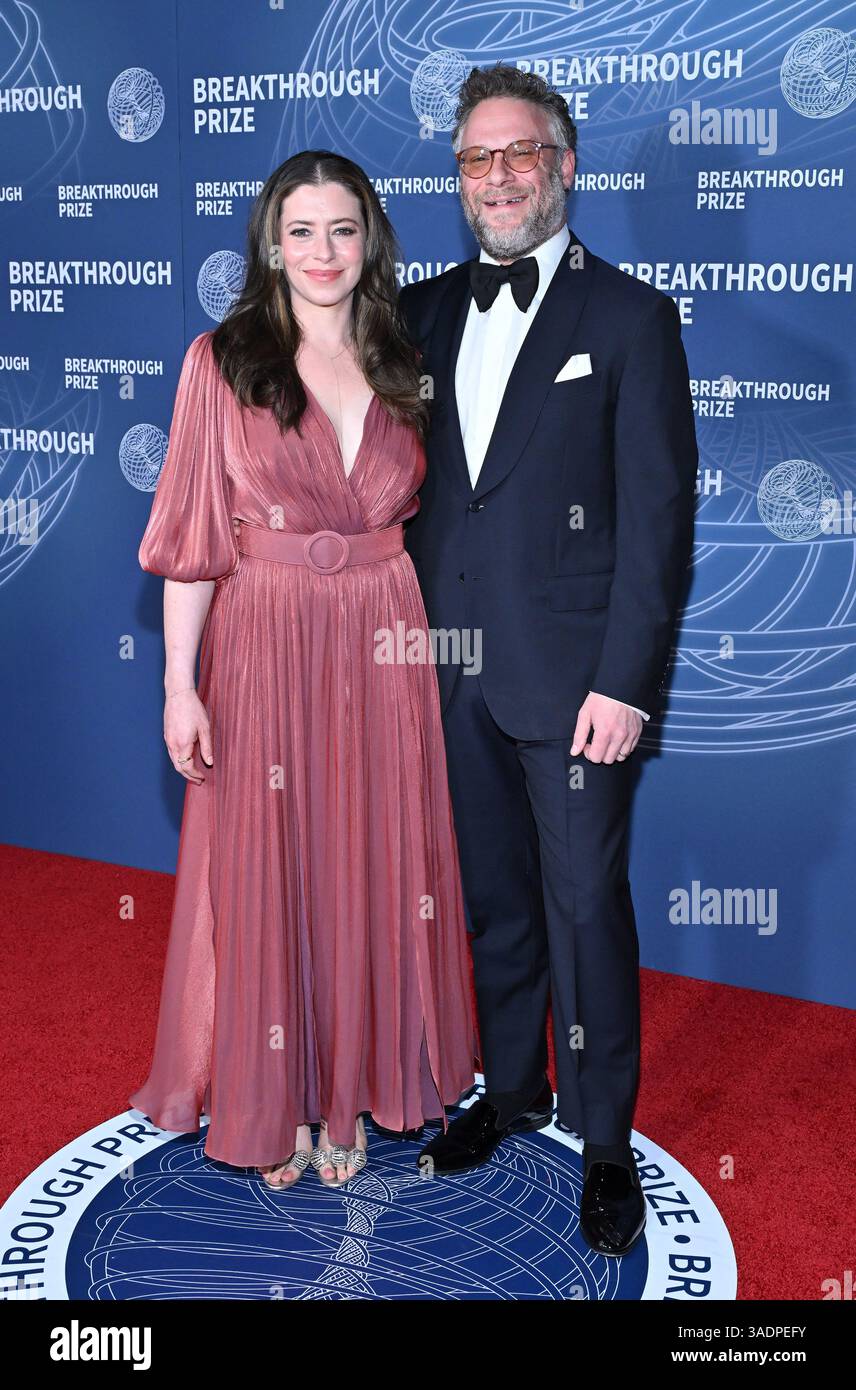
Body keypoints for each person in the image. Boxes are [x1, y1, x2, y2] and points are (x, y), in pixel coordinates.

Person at [131, 150, 476, 1191]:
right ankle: (271, 1097)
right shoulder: (221, 361)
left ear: (367, 238)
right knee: (271, 860)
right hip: (266, 637)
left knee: (374, 857)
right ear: (269, 244)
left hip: (383, 633)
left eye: (341, 229)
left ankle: (351, 1091)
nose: (322, 253)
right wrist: (178, 685)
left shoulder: (403, 355)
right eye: (300, 231)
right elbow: (194, 541)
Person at [399, 64, 698, 1255]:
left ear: (564, 165)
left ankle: (606, 1141)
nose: (499, 176)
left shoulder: (628, 317)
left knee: (583, 912)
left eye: (520, 153)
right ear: (459, 178)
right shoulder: (415, 312)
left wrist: (626, 683)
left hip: (578, 685)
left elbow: (658, 516)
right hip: (447, 673)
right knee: (497, 907)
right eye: (478, 158)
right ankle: (513, 1091)